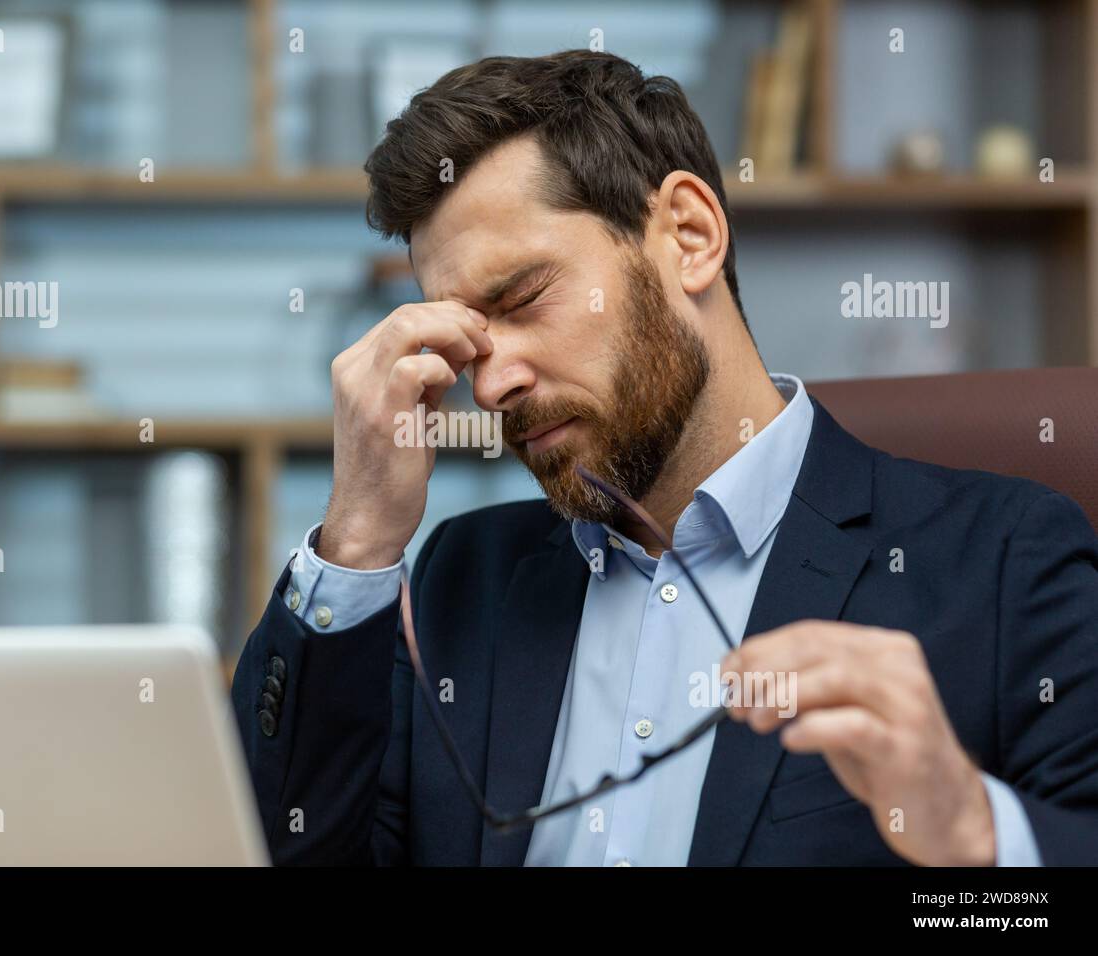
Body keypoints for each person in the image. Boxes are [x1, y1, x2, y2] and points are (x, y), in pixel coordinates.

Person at [231, 50, 1098, 866]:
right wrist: (356, 541)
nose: (489, 387)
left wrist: (966, 827)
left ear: (688, 233)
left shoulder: (1007, 563)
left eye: (524, 297)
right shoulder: (461, 582)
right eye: (465, 341)